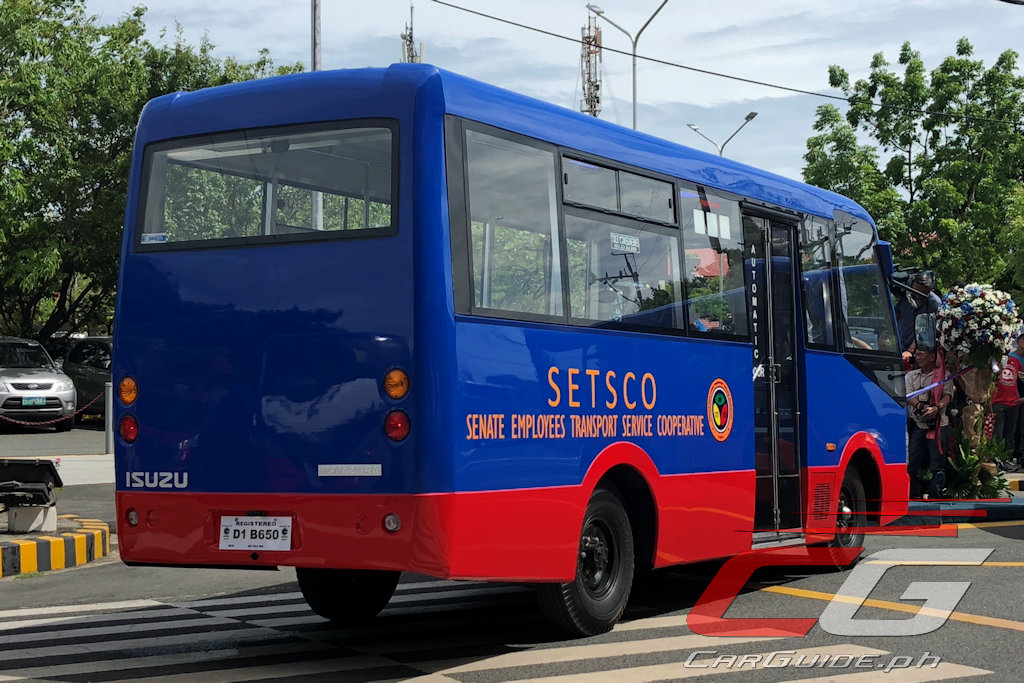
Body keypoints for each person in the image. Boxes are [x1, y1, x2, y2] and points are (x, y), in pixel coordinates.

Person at [906, 348, 953, 499]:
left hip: (939, 424)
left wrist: (936, 408)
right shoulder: (911, 375)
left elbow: (948, 395)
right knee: (912, 461)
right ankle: (911, 494)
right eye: (916, 355)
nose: (917, 357)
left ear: (932, 357)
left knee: (937, 464)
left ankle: (935, 494)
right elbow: (908, 396)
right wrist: (921, 407)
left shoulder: (944, 375)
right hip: (918, 423)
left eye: (921, 354)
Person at [894, 271, 942, 365]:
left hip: (916, 355)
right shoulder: (906, 296)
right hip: (897, 346)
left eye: (922, 293)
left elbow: (925, 331)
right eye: (914, 291)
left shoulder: (934, 303)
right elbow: (895, 315)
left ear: (929, 290)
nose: (916, 296)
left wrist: (910, 351)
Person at [991, 344, 1024, 470]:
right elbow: (990, 379)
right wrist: (997, 370)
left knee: (1010, 434)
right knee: (997, 434)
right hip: (998, 402)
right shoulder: (993, 361)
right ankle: (996, 460)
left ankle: (1007, 460)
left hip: (1013, 402)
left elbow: (1020, 379)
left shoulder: (1016, 361)